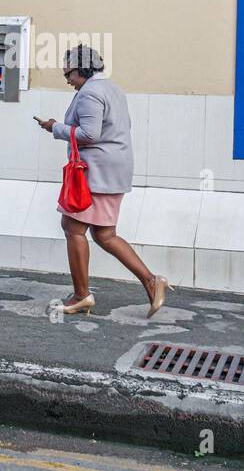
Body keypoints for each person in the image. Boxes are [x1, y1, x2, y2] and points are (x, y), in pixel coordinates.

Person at [35, 45, 169, 318]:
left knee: (72, 227)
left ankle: (82, 295)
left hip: (95, 172)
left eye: (68, 73)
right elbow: (120, 127)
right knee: (104, 234)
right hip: (114, 171)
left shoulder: (90, 94)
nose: (67, 80)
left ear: (81, 69)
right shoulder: (113, 90)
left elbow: (90, 134)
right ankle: (152, 281)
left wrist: (55, 128)